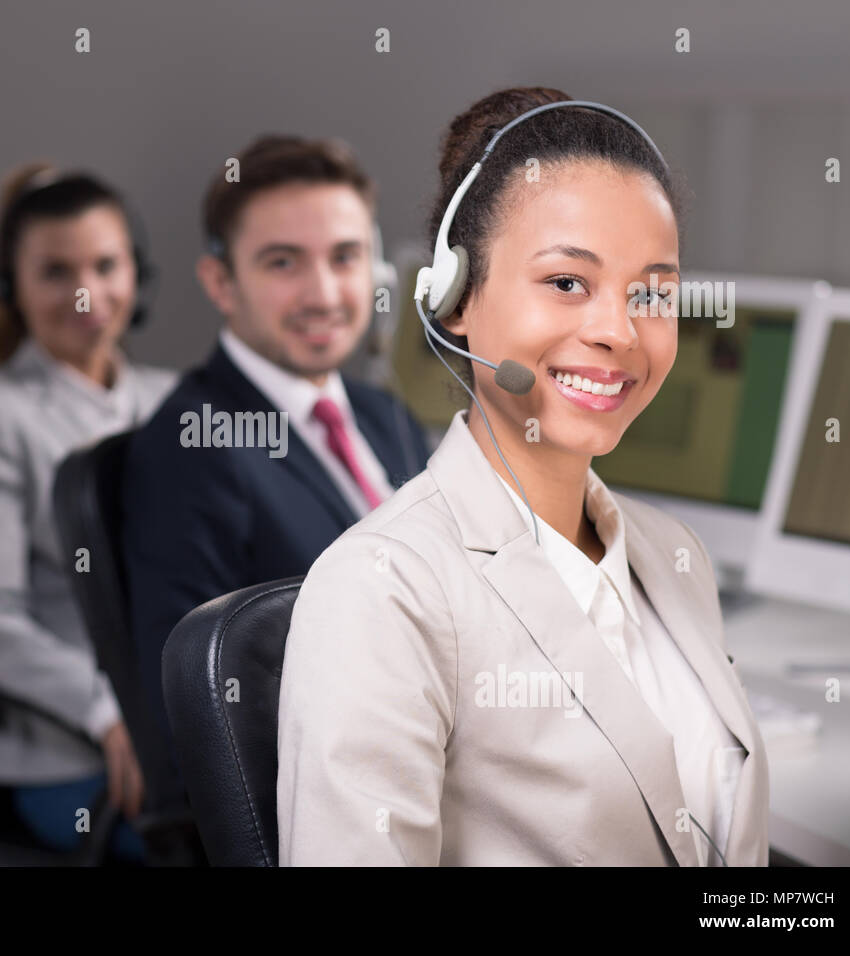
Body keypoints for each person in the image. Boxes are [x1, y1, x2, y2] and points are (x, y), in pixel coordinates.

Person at [277, 88, 770, 866]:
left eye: (652, 293)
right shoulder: (381, 592)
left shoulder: (674, 556)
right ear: (455, 299)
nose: (617, 331)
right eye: (567, 282)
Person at [122, 135, 430, 809]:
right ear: (220, 283)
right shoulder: (190, 449)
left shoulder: (386, 416)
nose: (323, 294)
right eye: (283, 262)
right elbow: (199, 724)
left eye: (345, 257)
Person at [0, 165, 177, 861]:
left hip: (191, 732)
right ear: (11, 287)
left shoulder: (177, 402)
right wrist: (108, 710)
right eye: (56, 271)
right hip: (76, 755)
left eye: (106, 266)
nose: (86, 293)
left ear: (139, 275)